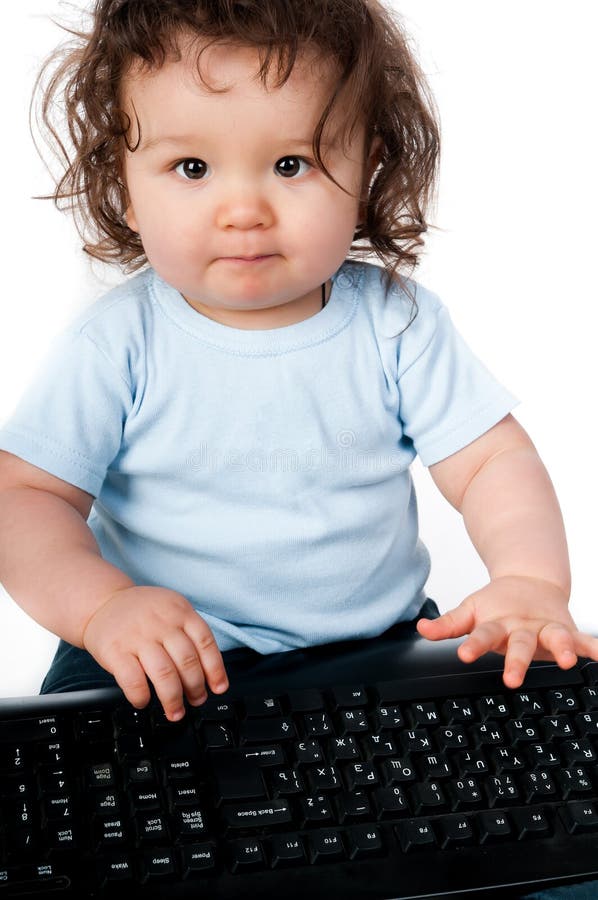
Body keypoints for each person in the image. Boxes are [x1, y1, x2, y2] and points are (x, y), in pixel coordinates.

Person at [0, 4, 596, 895]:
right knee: (98, 846)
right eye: (191, 167)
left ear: (370, 167)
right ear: (123, 179)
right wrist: (101, 609)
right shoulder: (119, 344)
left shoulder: (393, 322)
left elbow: (491, 462)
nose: (244, 209)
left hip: (378, 643)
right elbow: (24, 497)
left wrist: (530, 581)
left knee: (512, 828)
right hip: (159, 659)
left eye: (291, 163)